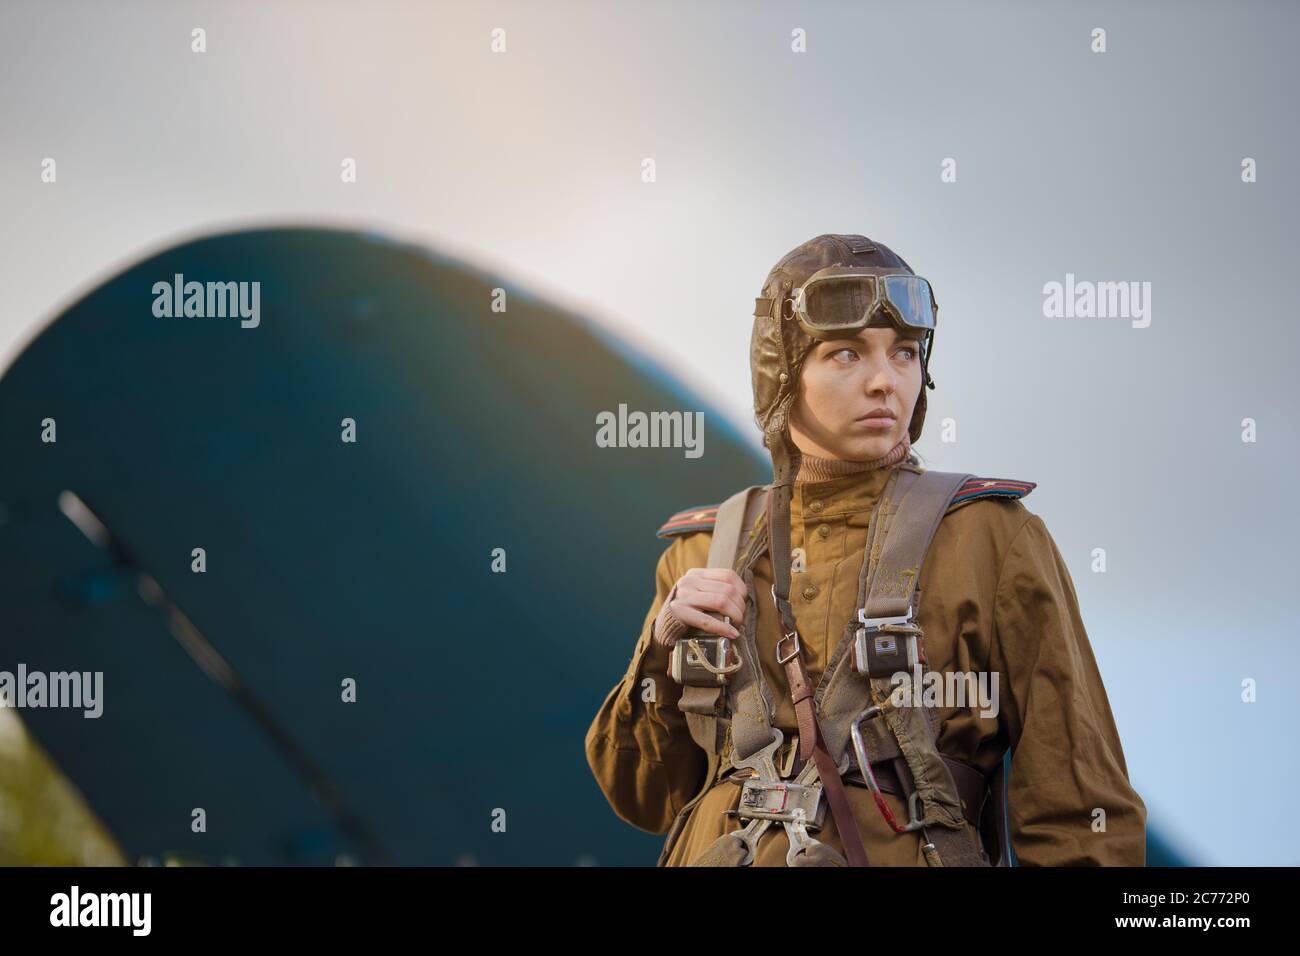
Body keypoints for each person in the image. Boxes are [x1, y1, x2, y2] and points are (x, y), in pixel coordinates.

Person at [585, 233, 1146, 866]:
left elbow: (1080, 808)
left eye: (905, 353)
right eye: (846, 354)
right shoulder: (701, 552)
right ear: (782, 369)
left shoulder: (992, 537)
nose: (885, 381)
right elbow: (643, 796)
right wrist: (659, 653)